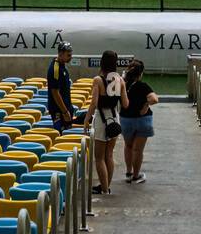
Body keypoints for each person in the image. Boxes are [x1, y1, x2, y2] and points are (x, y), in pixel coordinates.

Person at [83, 50, 127, 195]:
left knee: (99, 157)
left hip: (102, 120)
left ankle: (104, 188)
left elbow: (93, 103)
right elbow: (125, 104)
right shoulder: (120, 80)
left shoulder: (98, 80)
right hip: (114, 119)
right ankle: (106, 185)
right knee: (109, 155)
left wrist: (86, 119)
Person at [121, 59, 157, 184]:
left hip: (126, 119)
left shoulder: (123, 85)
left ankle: (128, 172)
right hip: (143, 120)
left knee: (128, 146)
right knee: (138, 150)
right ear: (140, 74)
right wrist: (146, 105)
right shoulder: (143, 86)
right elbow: (154, 99)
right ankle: (136, 176)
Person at [46, 42, 78, 131]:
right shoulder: (55, 69)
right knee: (62, 136)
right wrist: (65, 112)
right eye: (68, 55)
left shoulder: (62, 66)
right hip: (59, 112)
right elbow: (55, 92)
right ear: (60, 54)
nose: (70, 57)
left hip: (66, 109)